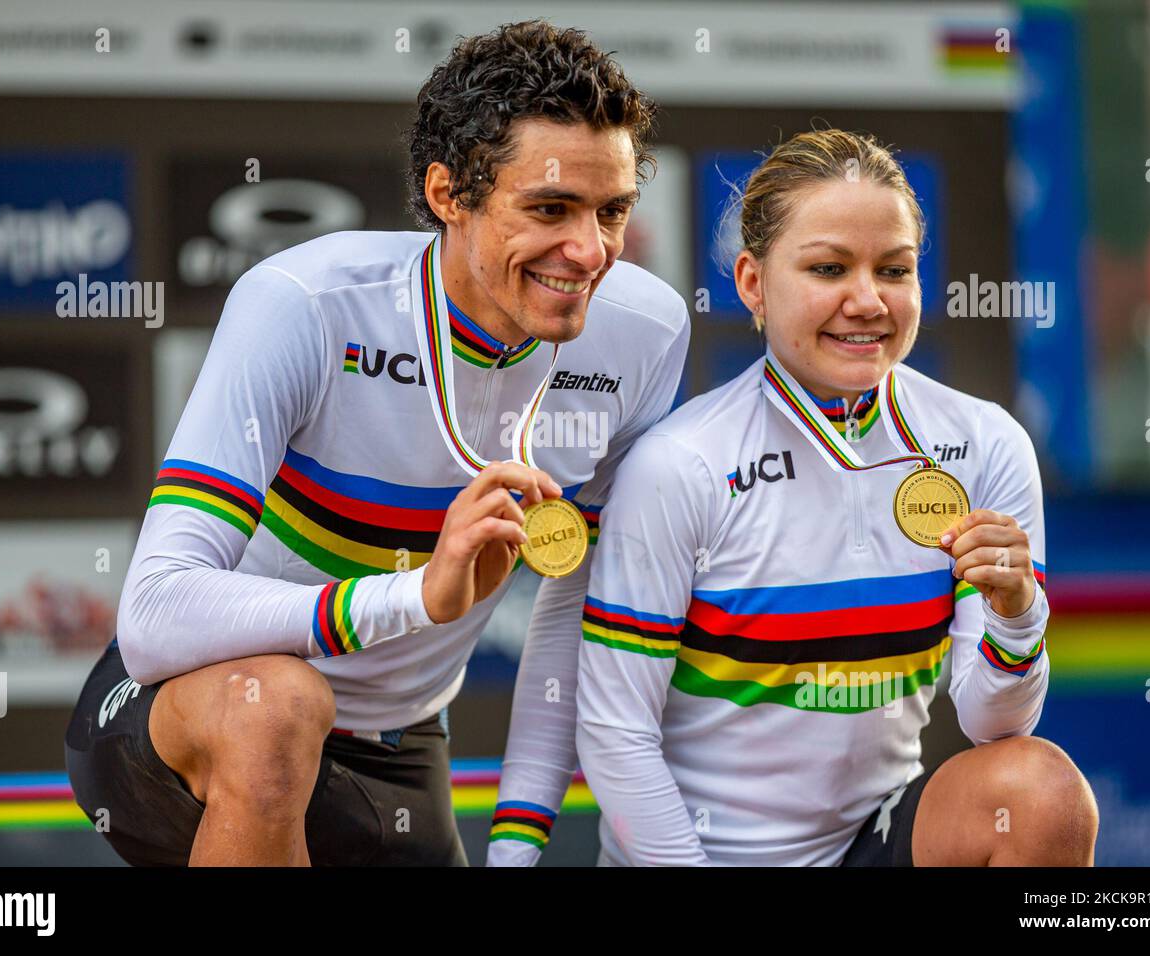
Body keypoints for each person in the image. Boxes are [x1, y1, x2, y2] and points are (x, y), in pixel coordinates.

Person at [64, 19, 689, 866]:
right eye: (549, 209)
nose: (589, 251)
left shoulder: (643, 332)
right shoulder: (308, 303)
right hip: (193, 710)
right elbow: (154, 615)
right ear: (447, 193)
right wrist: (412, 598)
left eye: (611, 211)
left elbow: (576, 606)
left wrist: (517, 839)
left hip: (396, 746)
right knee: (279, 706)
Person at [575, 129, 1099, 866]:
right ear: (752, 283)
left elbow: (992, 720)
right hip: (700, 855)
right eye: (828, 268)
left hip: (868, 841)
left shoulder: (985, 443)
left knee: (1041, 796)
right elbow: (614, 734)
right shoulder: (681, 464)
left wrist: (1017, 615)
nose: (866, 301)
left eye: (895, 270)